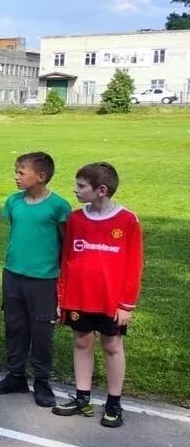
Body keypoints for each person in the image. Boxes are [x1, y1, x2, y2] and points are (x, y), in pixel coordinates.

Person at [51, 162, 143, 429]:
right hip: (79, 297)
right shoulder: (75, 219)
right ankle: (82, 398)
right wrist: (61, 297)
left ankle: (114, 403)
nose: (75, 190)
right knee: (82, 342)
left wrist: (126, 304)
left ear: (101, 190)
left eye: (81, 186)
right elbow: (67, 259)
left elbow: (134, 265)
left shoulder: (127, 220)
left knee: (112, 346)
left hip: (111, 301)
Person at [0, 151, 72, 405]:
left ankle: (42, 380)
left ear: (41, 177)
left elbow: (66, 242)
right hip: (13, 274)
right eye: (17, 172)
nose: (16, 176)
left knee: (41, 331)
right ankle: (16, 375)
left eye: (21, 172)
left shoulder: (58, 206)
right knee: (15, 327)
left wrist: (58, 273)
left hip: (43, 279)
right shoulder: (14, 201)